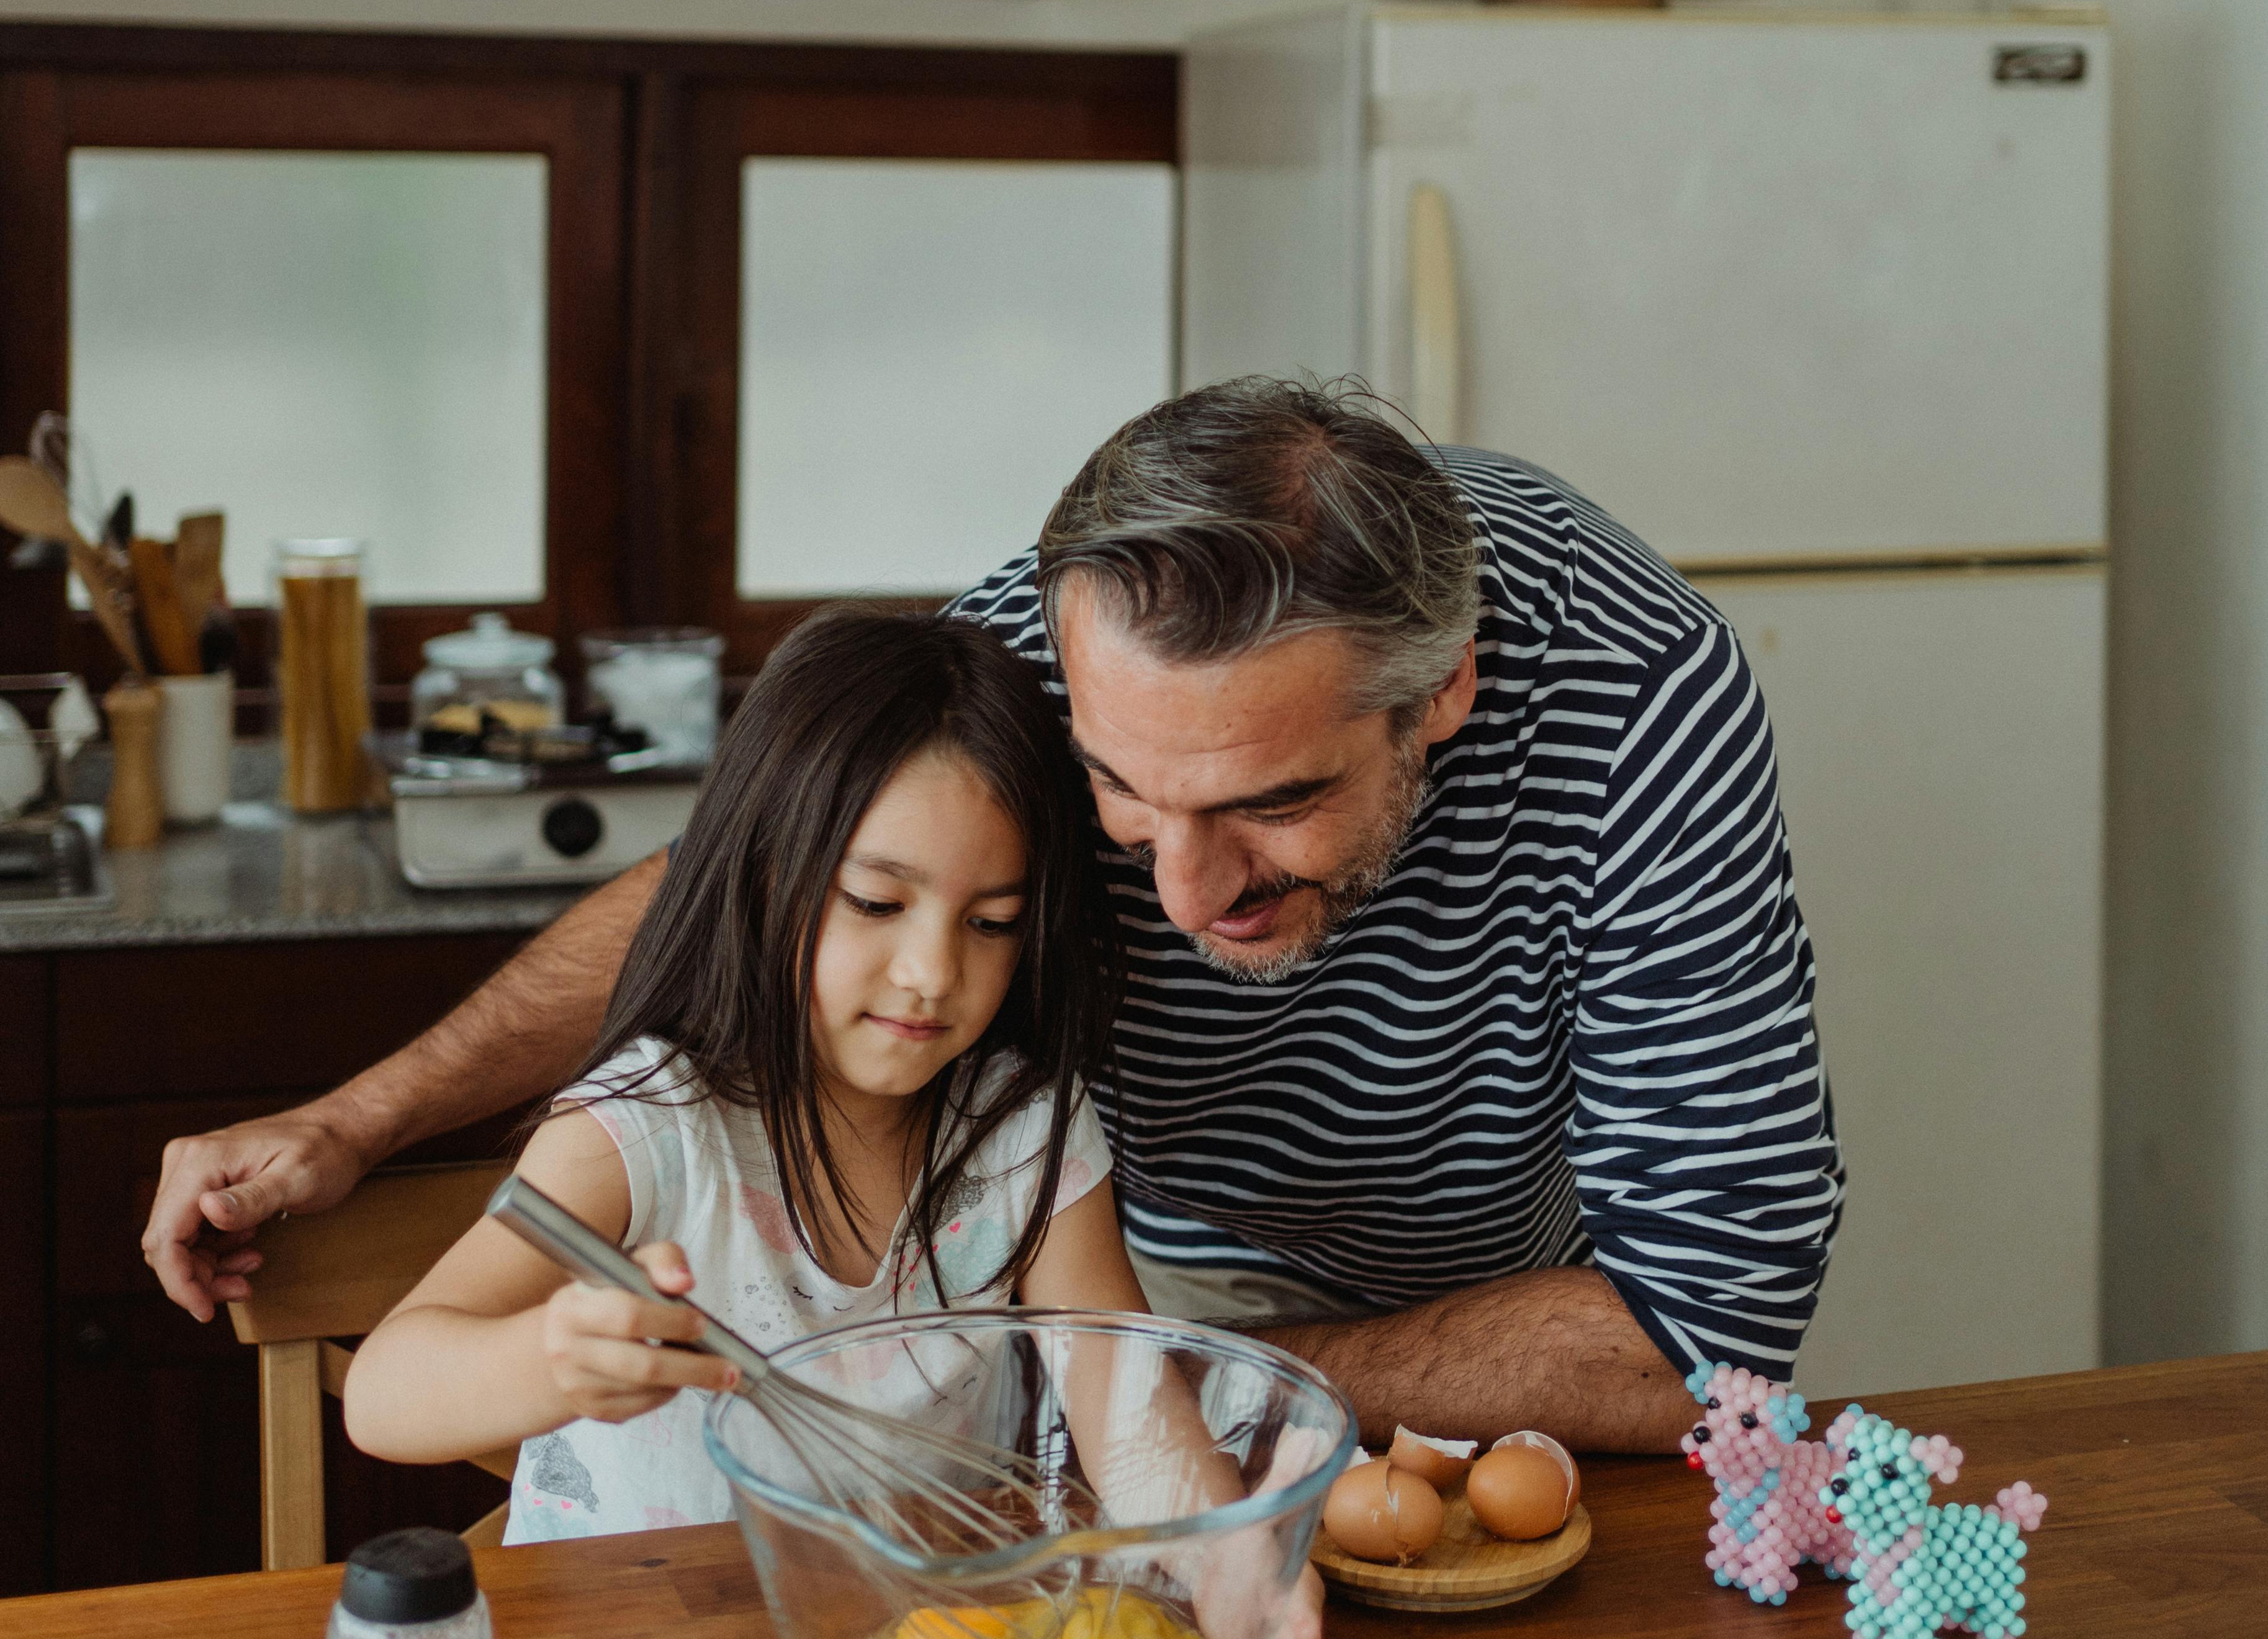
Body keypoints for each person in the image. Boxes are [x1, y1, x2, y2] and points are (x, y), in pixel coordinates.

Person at [146, 379, 1845, 1457]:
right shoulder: (1021, 657)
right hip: (1124, 1287)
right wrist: (359, 1119)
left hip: (1499, 1338)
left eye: (1271, 803)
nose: (1184, 899)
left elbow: (1692, 1337)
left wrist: (1151, 1366)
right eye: (1121, 796)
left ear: (1443, 694)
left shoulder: (1636, 694)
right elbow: (746, 891)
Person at [341, 603, 1323, 1639]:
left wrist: (1219, 1566)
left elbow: (1127, 1400)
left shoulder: (1019, 1131)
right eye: (875, 903)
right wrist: (551, 1360)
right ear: (765, 873)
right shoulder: (662, 1125)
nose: (929, 970)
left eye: (992, 921)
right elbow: (387, 1389)